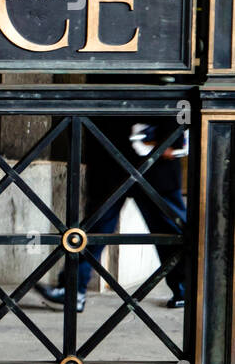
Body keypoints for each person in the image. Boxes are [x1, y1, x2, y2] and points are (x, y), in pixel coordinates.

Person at [36, 114, 188, 312]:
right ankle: (72, 289)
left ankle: (188, 288)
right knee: (95, 228)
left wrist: (171, 139)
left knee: (170, 228)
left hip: (149, 152)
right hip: (113, 153)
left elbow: (172, 91)